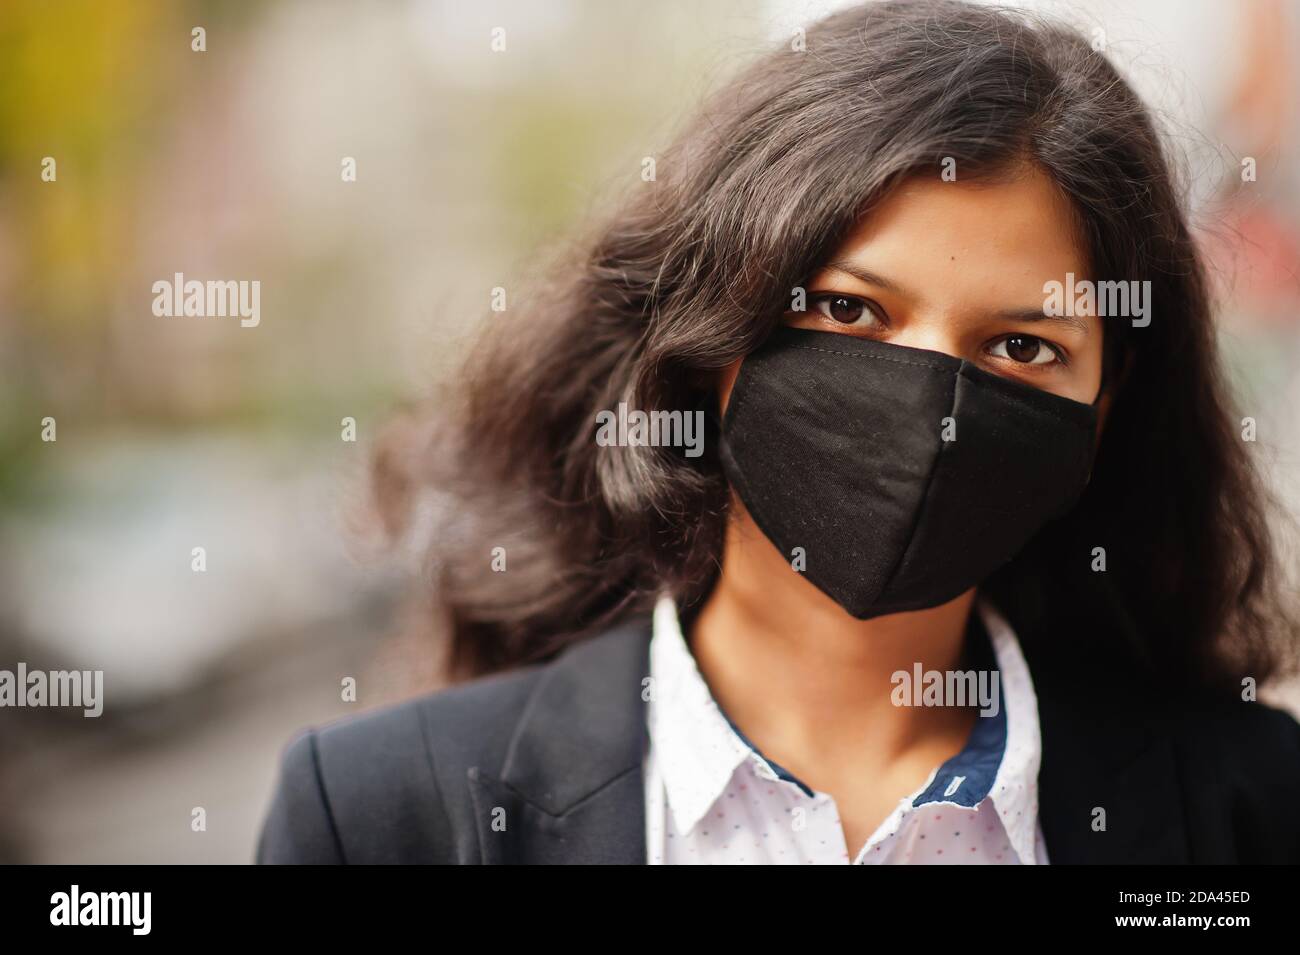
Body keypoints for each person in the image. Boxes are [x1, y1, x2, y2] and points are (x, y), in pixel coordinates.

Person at [257, 0, 1300, 864]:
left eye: (1021, 346)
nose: (931, 403)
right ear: (710, 336)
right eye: (849, 309)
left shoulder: (1250, 806)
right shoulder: (380, 816)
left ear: (1102, 413)